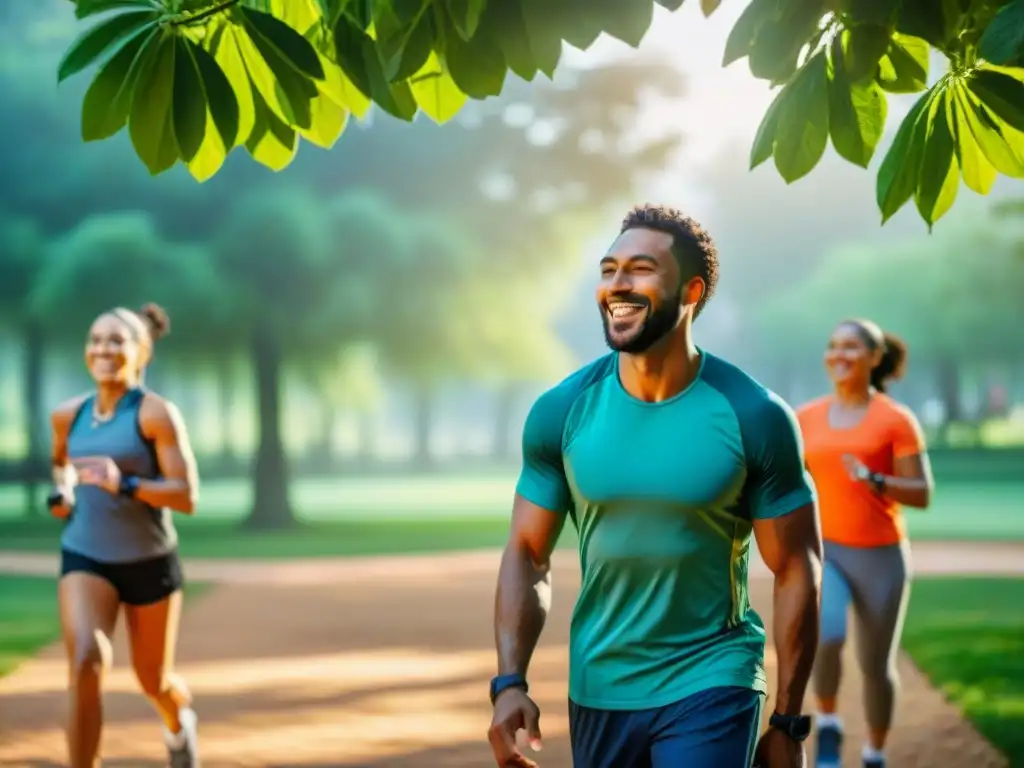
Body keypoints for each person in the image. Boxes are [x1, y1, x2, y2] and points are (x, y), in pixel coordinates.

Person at [487, 205, 824, 768]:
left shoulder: (755, 415)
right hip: (600, 684)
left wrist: (788, 721)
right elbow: (527, 552)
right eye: (608, 269)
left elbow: (796, 566)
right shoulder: (561, 411)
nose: (617, 284)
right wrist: (508, 682)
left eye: (640, 269)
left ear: (691, 291)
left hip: (713, 676)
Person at [47, 303, 201, 768]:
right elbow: (60, 463)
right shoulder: (67, 415)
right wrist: (63, 491)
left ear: (142, 352)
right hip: (86, 553)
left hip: (148, 561)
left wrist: (127, 484)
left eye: (117, 340)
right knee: (85, 660)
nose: (103, 349)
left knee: (153, 680)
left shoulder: (155, 414)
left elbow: (186, 495)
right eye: (96, 340)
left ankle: (178, 724)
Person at [796, 319, 933, 768]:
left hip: (881, 557)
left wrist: (874, 479)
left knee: (876, 666)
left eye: (851, 347)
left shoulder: (895, 419)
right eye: (833, 345)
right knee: (827, 635)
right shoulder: (805, 416)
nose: (839, 354)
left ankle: (874, 752)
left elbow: (922, 493)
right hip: (828, 551)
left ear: (874, 358)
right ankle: (829, 724)